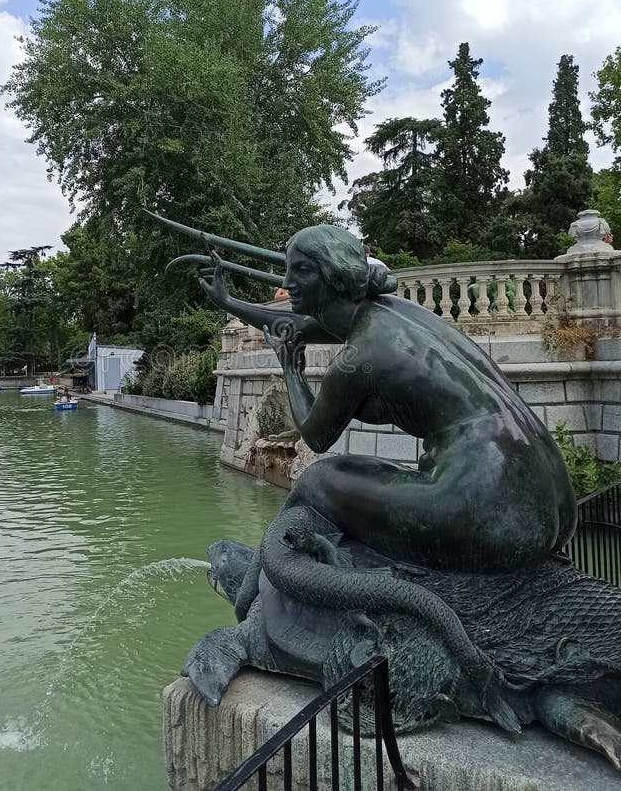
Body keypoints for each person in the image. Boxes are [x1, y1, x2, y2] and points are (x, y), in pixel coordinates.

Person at [199, 225, 576, 575]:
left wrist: (291, 368)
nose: (286, 283)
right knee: (357, 471)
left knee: (317, 480)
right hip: (551, 498)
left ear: (332, 276)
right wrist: (228, 302)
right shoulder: (393, 313)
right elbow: (292, 326)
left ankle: (282, 577)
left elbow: (315, 436)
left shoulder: (358, 357)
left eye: (300, 271)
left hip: (486, 502)